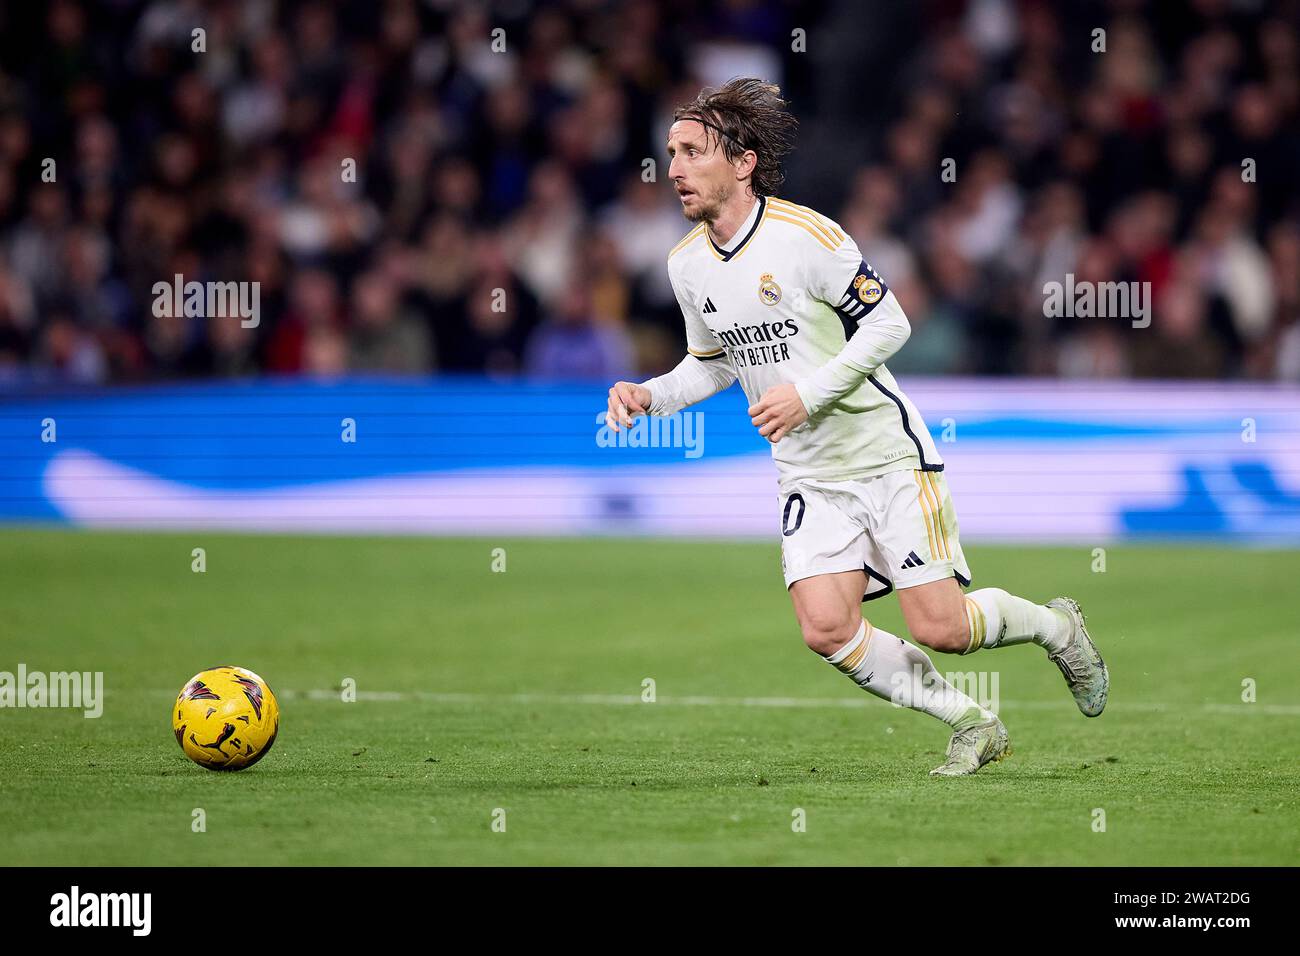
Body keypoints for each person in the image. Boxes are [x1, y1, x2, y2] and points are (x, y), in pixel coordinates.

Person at [604, 78, 1108, 776]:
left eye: (692, 151)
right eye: (670, 152)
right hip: (808, 472)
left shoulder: (806, 236)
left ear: (743, 162)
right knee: (826, 628)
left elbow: (890, 322)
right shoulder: (686, 263)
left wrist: (807, 395)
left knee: (942, 627)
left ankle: (1057, 627)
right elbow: (713, 364)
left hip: (883, 454)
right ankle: (971, 722)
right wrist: (649, 396)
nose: (675, 168)